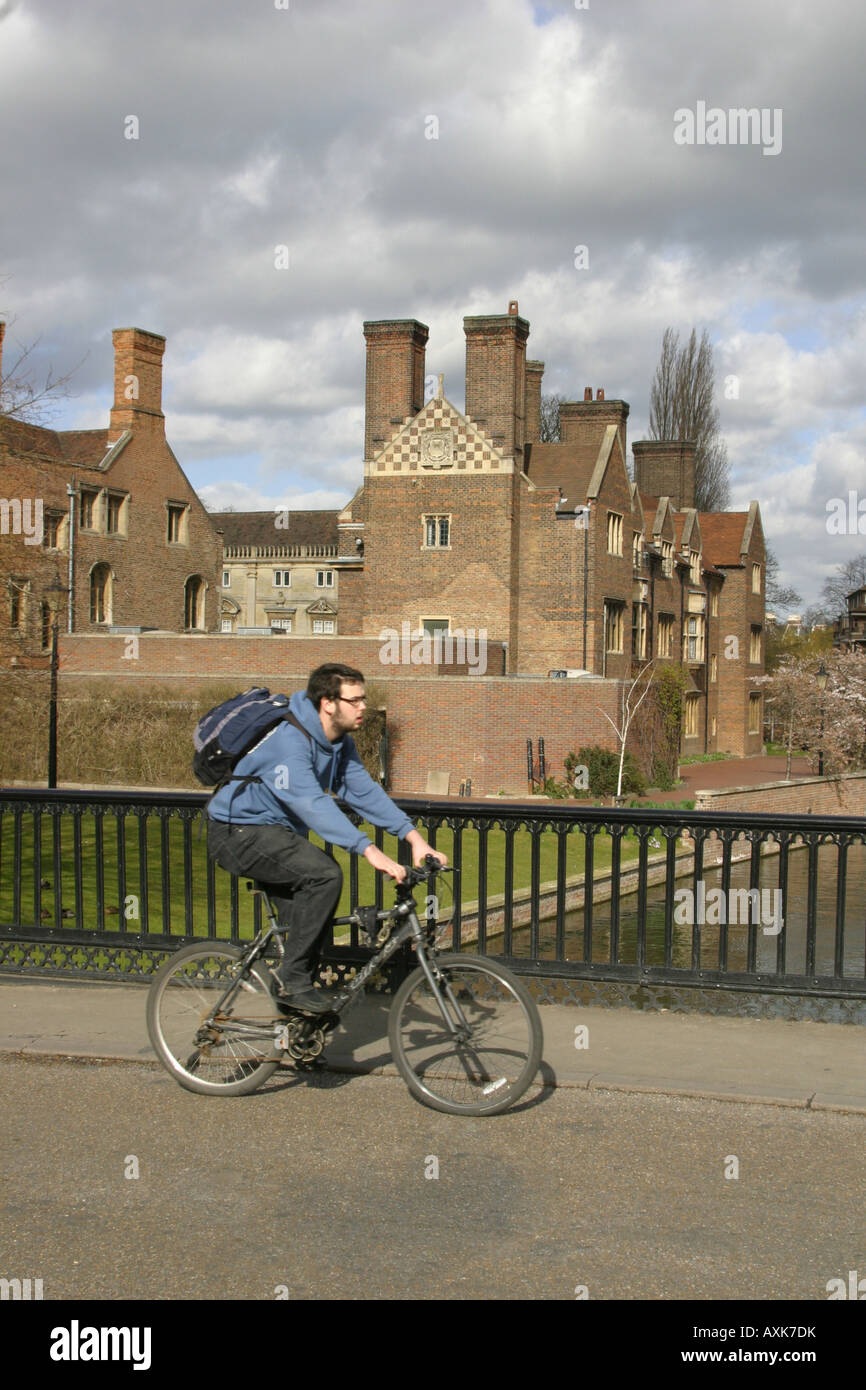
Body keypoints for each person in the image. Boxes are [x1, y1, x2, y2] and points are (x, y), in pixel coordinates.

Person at [206, 662, 447, 1013]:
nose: (364, 706)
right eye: (355, 700)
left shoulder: (337, 743)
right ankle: (290, 983)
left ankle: (299, 1026)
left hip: (276, 834)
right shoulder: (289, 740)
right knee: (324, 875)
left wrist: (413, 838)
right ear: (327, 703)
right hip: (237, 831)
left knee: (311, 928)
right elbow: (311, 803)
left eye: (364, 698)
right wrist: (368, 850)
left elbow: (363, 792)